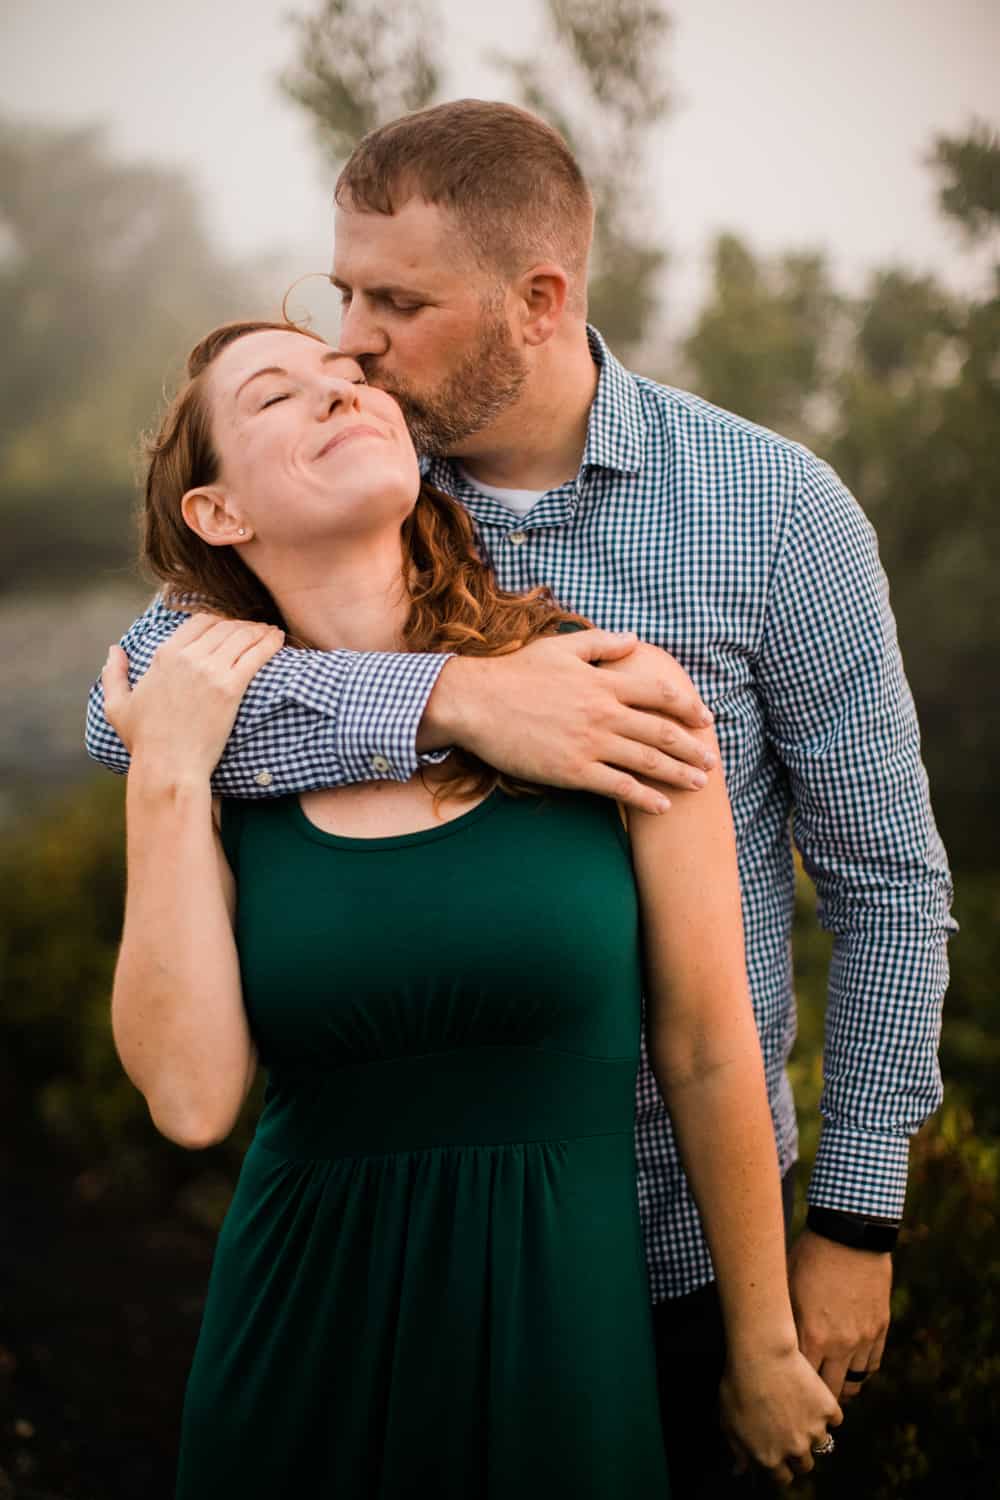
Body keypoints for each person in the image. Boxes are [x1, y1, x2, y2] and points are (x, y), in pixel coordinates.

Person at [87, 101, 955, 1497]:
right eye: (345, 290)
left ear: (537, 302)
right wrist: (458, 701)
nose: (353, 342)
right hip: (382, 1229)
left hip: (678, 1237)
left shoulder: (775, 510)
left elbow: (893, 888)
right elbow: (129, 706)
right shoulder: (357, 472)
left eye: (397, 303)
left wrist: (857, 1219)